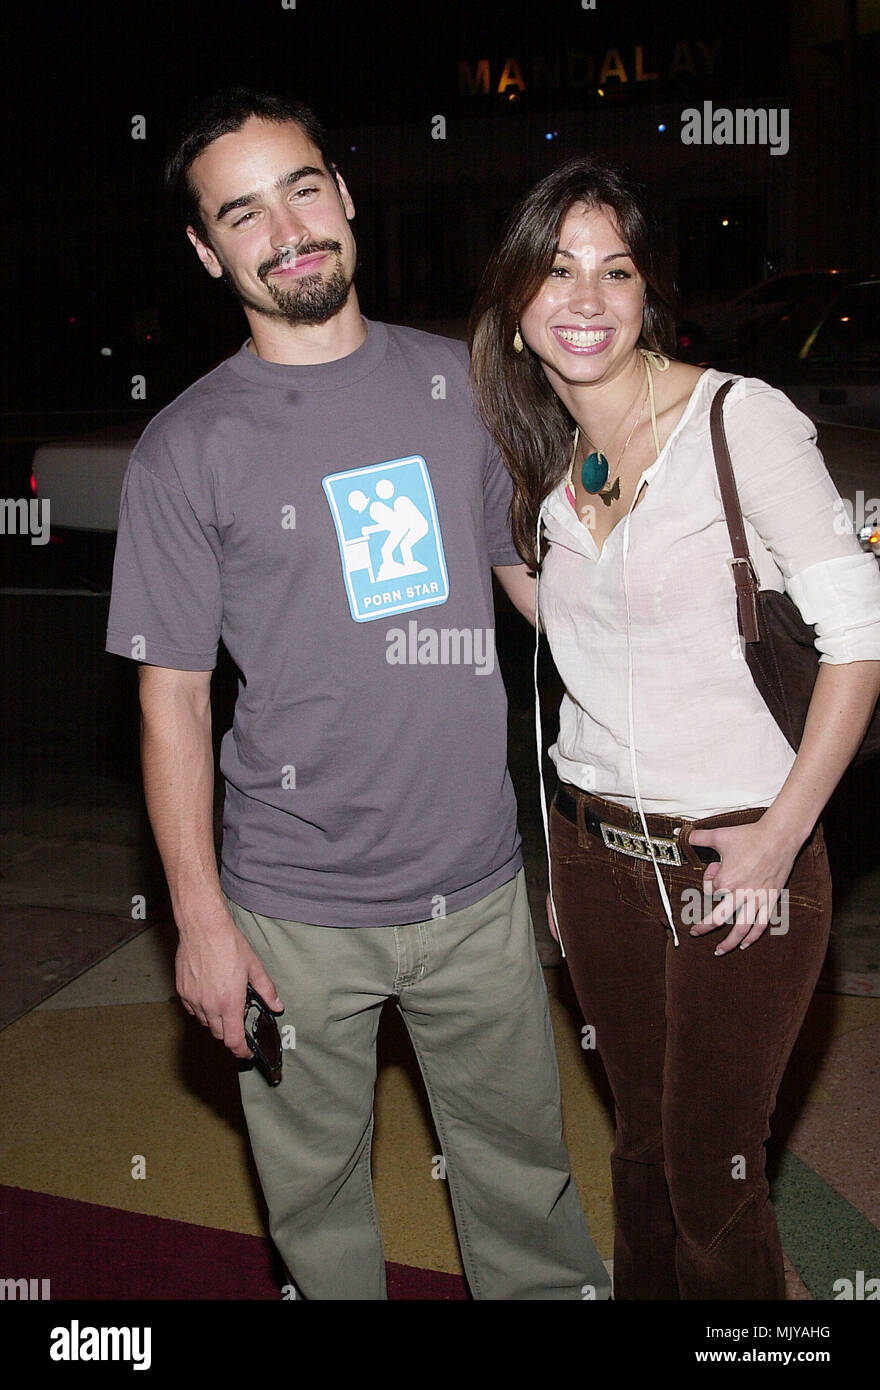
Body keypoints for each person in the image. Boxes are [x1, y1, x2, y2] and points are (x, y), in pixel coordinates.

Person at [105, 89, 610, 1302]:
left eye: (302, 186)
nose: (285, 227)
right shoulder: (184, 448)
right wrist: (200, 923)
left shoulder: (463, 385)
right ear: (205, 249)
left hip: (479, 885)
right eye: (242, 212)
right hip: (289, 910)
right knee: (315, 1207)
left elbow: (536, 588)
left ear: (343, 191)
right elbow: (172, 701)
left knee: (523, 1187)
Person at [468, 155, 880, 1300]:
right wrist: (565, 861)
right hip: (598, 862)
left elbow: (859, 635)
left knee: (713, 1171)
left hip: (740, 854)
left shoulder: (740, 422)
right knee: (642, 1157)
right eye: (554, 273)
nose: (586, 299)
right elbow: (570, 661)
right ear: (514, 310)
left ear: (650, 294)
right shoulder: (540, 473)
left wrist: (782, 836)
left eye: (615, 269)